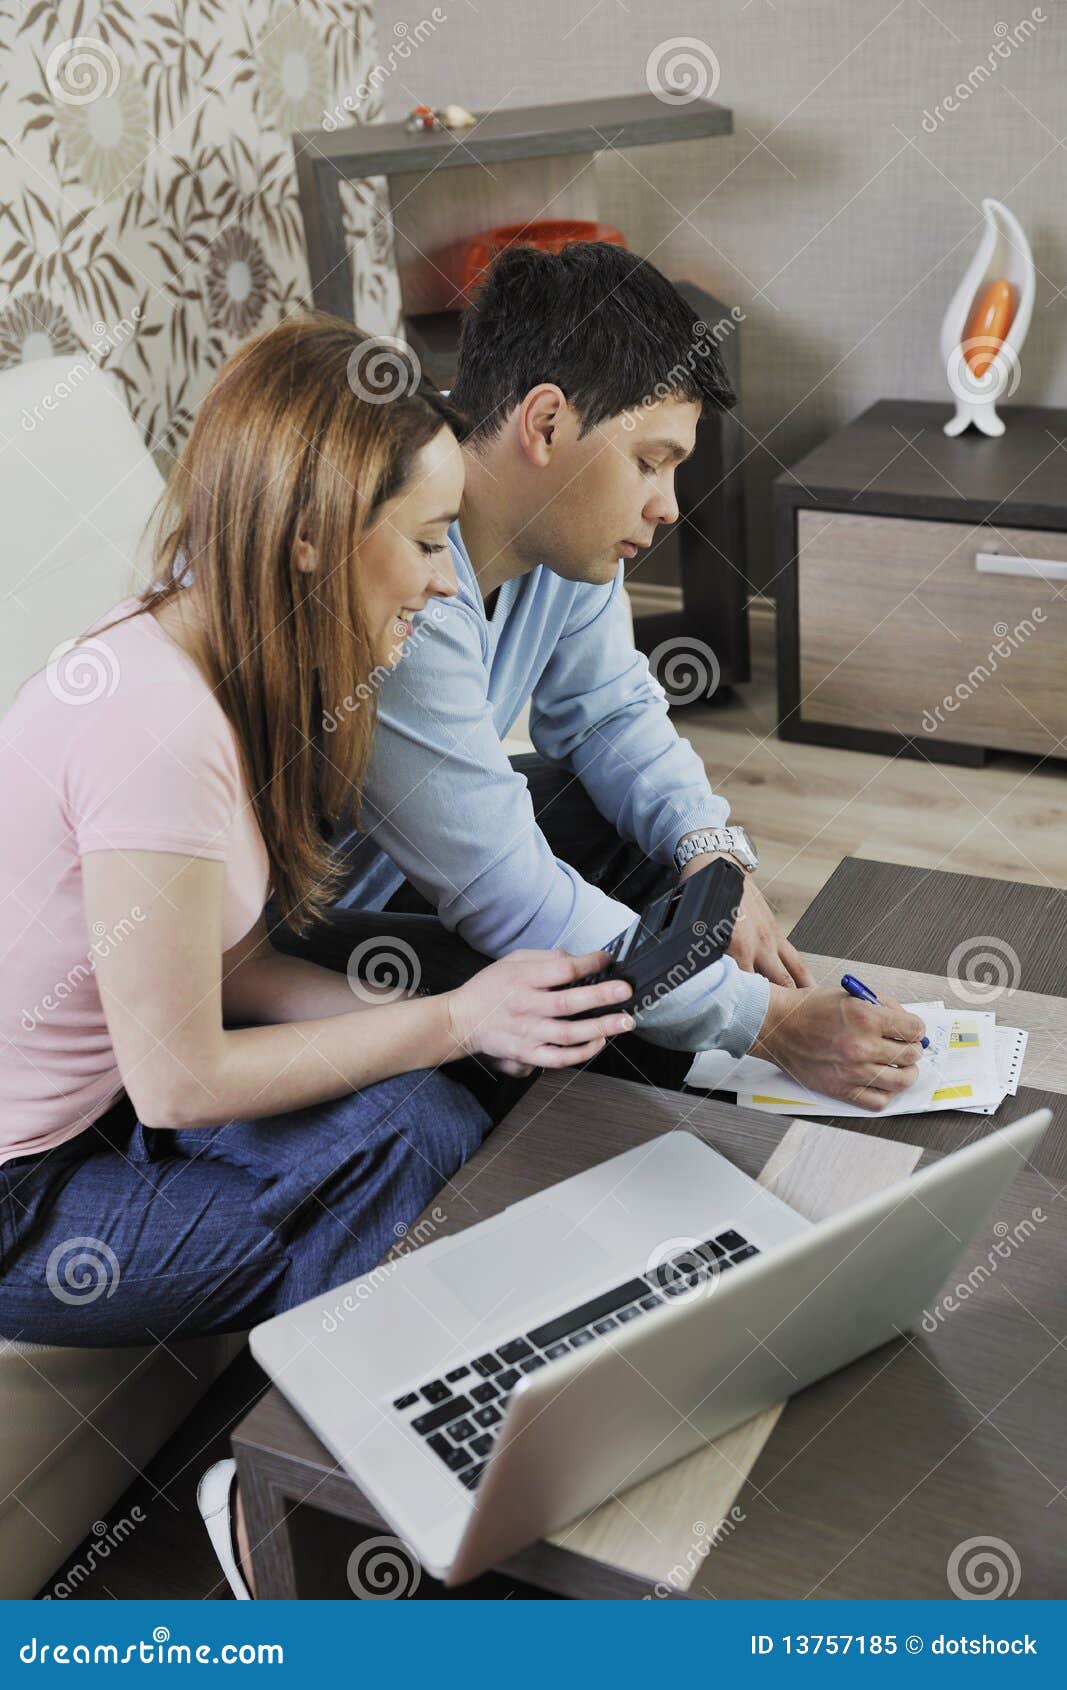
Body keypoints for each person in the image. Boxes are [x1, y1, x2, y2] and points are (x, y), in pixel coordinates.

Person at [0, 315, 635, 1598]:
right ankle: (287, 1499)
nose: (447, 581)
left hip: (110, 1114)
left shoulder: (211, 659)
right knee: (409, 1128)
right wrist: (450, 1021)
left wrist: (463, 1019)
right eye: (425, 540)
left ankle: (431, 1428)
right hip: (29, 1197)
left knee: (432, 1098)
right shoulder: (153, 725)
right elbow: (180, 1081)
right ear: (310, 538)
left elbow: (231, 970)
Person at [297, 244, 926, 1109]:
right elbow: (507, 897)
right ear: (546, 424)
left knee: (634, 835)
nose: (666, 505)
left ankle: (663, 1053)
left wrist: (708, 849)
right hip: (295, 934)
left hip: (405, 861)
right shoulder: (404, 586)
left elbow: (605, 713)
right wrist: (768, 1022)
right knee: (551, 976)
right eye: (649, 462)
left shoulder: (562, 537)